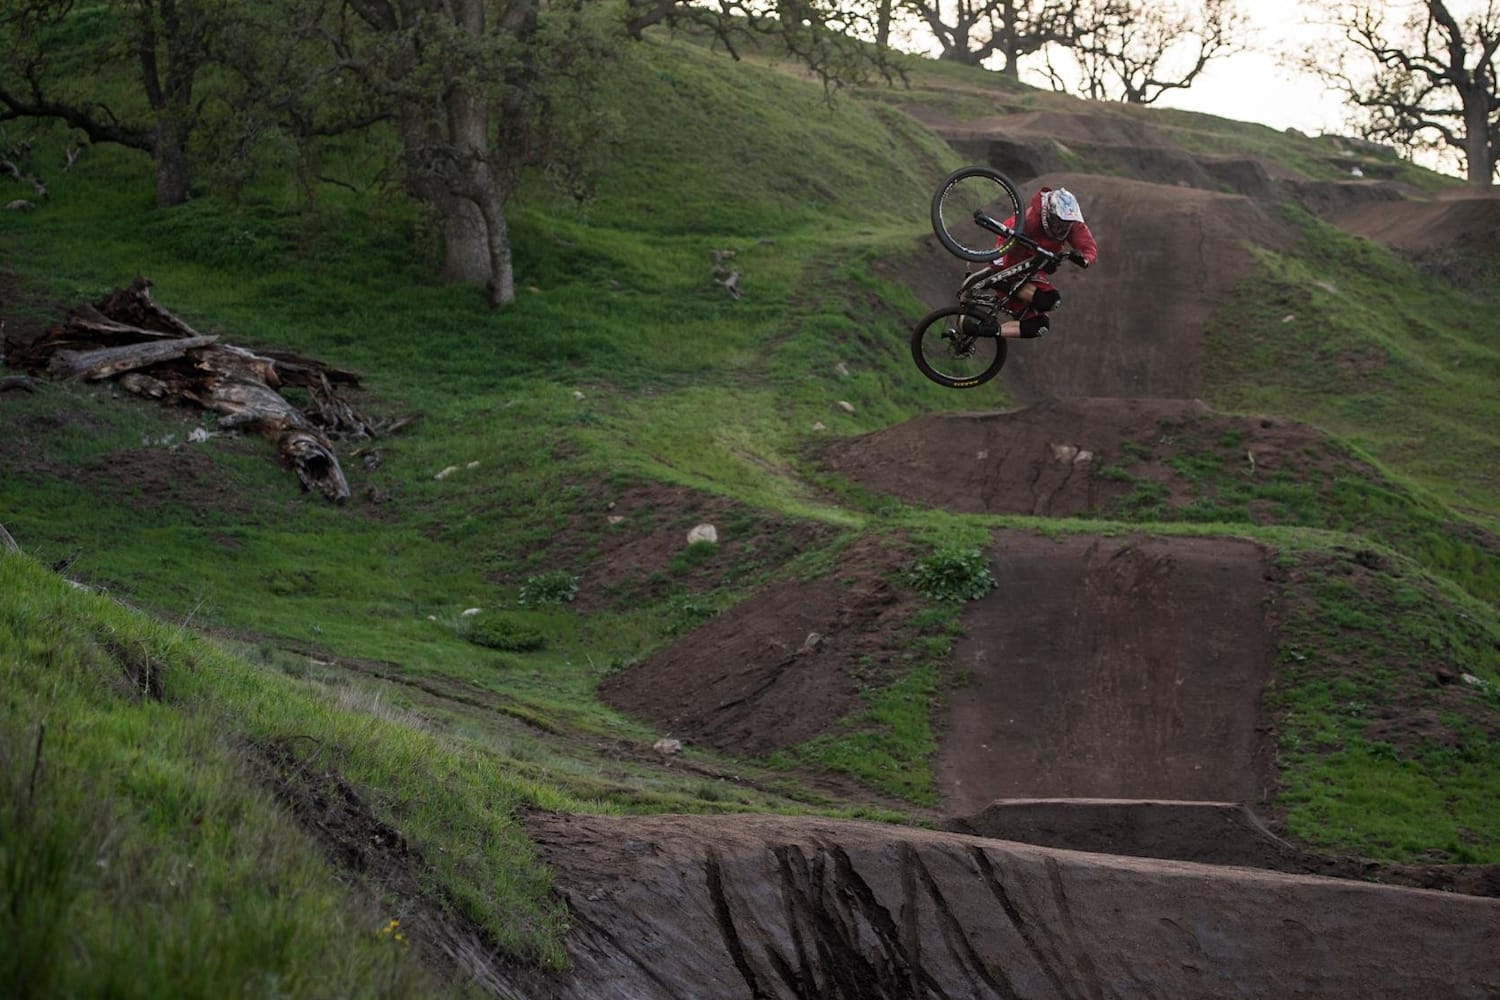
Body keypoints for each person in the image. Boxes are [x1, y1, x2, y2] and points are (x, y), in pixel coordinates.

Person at [958, 186, 1098, 339]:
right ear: (1049, 215)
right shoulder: (1031, 220)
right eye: (1059, 222)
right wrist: (1009, 274)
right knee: (1050, 299)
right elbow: (1012, 255)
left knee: (1040, 325)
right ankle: (998, 281)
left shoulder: (1072, 224)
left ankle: (983, 330)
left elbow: (1087, 246)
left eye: (1066, 224)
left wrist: (1083, 258)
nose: (1062, 228)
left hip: (1031, 266)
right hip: (1009, 253)